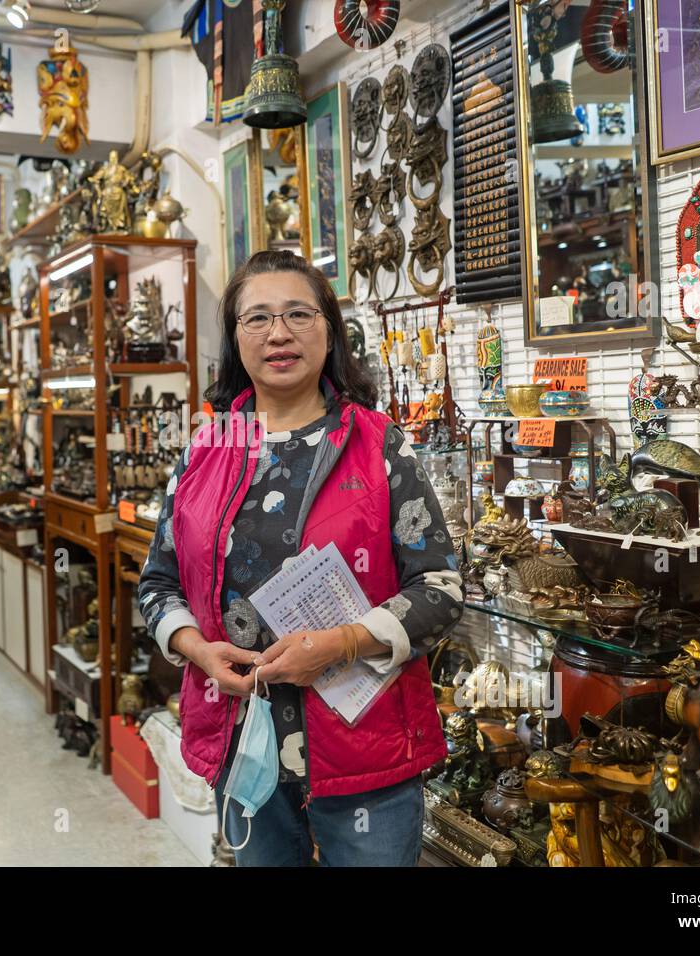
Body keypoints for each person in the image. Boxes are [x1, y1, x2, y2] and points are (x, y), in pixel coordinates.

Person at [137, 250, 463, 866]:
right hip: (244, 736)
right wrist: (196, 649)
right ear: (235, 339)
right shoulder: (206, 449)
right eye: (256, 318)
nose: (278, 333)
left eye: (297, 314)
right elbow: (158, 584)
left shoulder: (378, 445)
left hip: (362, 740)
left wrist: (341, 642)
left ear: (330, 331)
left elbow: (441, 589)